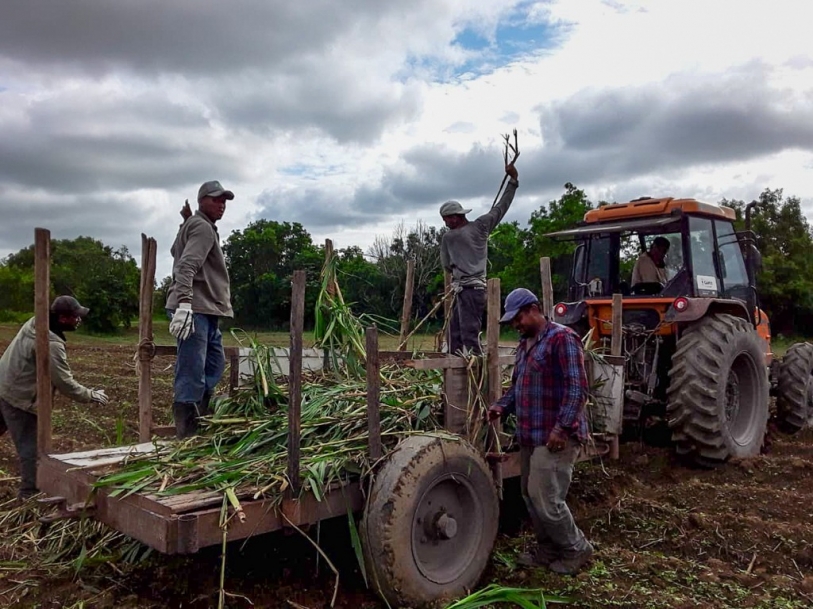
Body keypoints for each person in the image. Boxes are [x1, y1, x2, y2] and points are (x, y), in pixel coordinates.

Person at [487, 288, 594, 574]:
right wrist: (501, 406)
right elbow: (518, 387)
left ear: (534, 309)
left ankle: (576, 548)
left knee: (545, 497)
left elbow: (577, 389)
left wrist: (561, 429)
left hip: (555, 436)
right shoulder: (525, 345)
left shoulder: (563, 338)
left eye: (518, 318)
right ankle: (547, 549)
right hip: (530, 434)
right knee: (529, 494)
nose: (516, 325)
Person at [0, 296, 108, 499]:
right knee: (31, 451)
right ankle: (29, 494)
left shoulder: (36, 321)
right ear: (63, 318)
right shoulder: (51, 344)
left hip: (3, 384)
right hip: (19, 400)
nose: (79, 320)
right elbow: (66, 384)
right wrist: (92, 395)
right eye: (75, 317)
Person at [165, 180, 235, 438]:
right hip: (195, 309)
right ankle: (188, 434)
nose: (222, 205)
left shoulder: (195, 225)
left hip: (206, 310)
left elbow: (175, 249)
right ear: (201, 200)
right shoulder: (203, 228)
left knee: (214, 364)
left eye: (224, 201)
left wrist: (184, 223)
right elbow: (185, 265)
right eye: (216, 199)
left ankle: (200, 419)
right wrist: (184, 305)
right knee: (192, 371)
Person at [439, 163, 519, 355]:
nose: (445, 223)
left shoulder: (450, 238)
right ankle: (456, 371)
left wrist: (459, 269)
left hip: (469, 290)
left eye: (446, 219)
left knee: (468, 335)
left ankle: (478, 375)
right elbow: (501, 208)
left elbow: (446, 266)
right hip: (471, 290)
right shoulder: (481, 226)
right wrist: (513, 181)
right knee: (454, 334)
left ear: (455, 217)